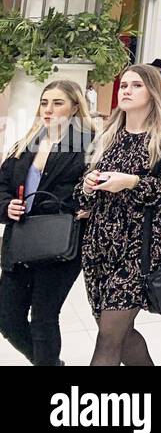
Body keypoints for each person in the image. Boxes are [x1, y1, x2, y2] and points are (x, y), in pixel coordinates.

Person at [77, 65, 161, 366]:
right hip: (100, 245)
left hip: (143, 248)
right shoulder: (108, 136)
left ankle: (89, 412)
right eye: (123, 85)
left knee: (108, 338)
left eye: (136, 85)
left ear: (152, 92)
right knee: (117, 332)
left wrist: (132, 182)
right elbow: (81, 193)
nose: (126, 90)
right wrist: (88, 187)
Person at [0, 80, 95, 366]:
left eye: (57, 103)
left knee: (43, 318)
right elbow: (2, 183)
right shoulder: (28, 141)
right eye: (44, 103)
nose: (48, 110)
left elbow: (95, 188)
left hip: (60, 244)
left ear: (75, 107)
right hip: (22, 241)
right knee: (7, 317)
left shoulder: (88, 144)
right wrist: (7, 205)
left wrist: (86, 207)